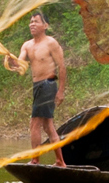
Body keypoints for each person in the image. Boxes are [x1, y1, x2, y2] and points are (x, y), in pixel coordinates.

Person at [6, 12, 67, 166]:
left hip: (48, 84)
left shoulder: (50, 43)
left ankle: (35, 160)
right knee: (48, 125)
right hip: (37, 86)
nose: (32, 24)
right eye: (31, 22)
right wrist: (12, 62)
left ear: (45, 26)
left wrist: (61, 91)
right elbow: (21, 66)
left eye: (36, 22)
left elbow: (62, 66)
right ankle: (60, 161)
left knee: (35, 123)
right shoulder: (27, 45)